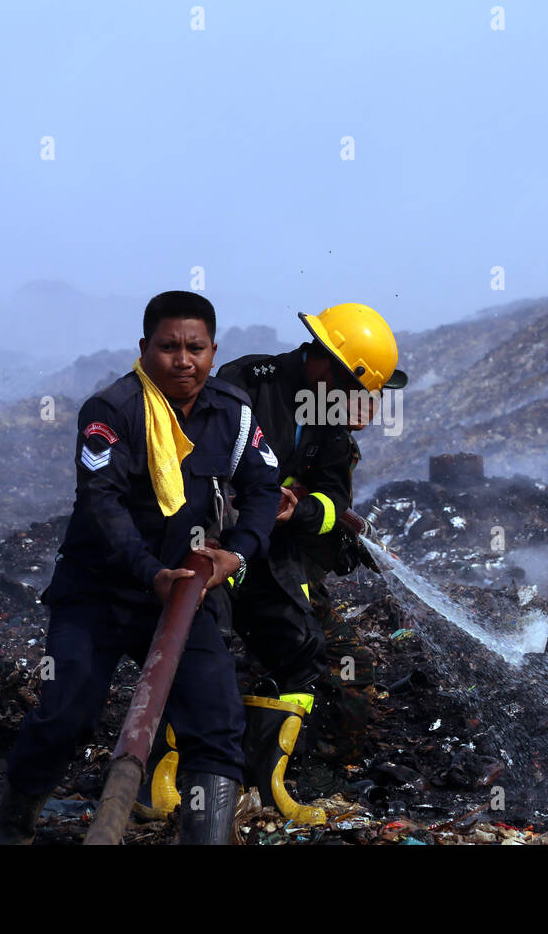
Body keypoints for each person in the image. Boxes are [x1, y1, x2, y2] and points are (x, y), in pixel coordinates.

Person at [0, 290, 280, 845]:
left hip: (182, 595)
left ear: (214, 352)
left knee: (216, 720)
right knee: (65, 716)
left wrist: (235, 554)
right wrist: (151, 571)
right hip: (98, 593)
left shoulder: (233, 413)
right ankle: (13, 825)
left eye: (195, 348)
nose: (183, 360)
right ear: (144, 348)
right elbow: (103, 503)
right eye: (169, 347)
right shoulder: (111, 412)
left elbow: (265, 487)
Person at [218, 302, 406, 824]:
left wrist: (300, 509)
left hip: (285, 561)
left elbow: (332, 502)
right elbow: (202, 461)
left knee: (348, 668)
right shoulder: (250, 383)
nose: (363, 407)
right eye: (358, 390)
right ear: (326, 365)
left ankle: (303, 773)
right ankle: (227, 769)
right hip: (223, 555)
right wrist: (251, 497)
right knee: (256, 651)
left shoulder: (331, 425)